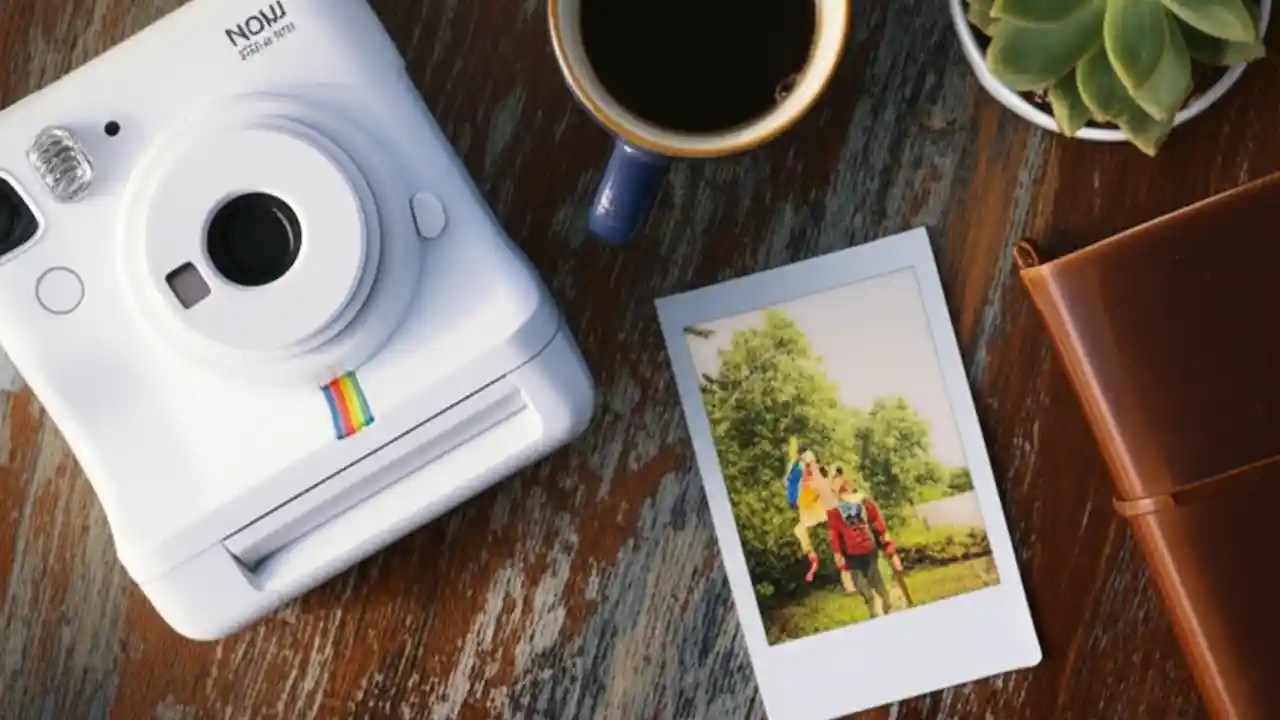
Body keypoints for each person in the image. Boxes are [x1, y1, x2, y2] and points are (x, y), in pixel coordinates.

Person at [825, 464, 901, 618]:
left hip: (869, 550)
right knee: (861, 585)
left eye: (843, 483)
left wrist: (889, 548)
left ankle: (887, 603)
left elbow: (878, 525)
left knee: (876, 580)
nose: (841, 487)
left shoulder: (864, 502)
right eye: (836, 484)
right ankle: (872, 606)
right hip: (851, 555)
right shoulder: (833, 511)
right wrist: (837, 553)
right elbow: (835, 533)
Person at [783, 442, 838, 582]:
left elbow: (790, 481)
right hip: (809, 502)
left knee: (801, 529)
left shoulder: (801, 466)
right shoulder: (801, 466)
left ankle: (814, 559)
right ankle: (814, 559)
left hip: (810, 502)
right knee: (801, 529)